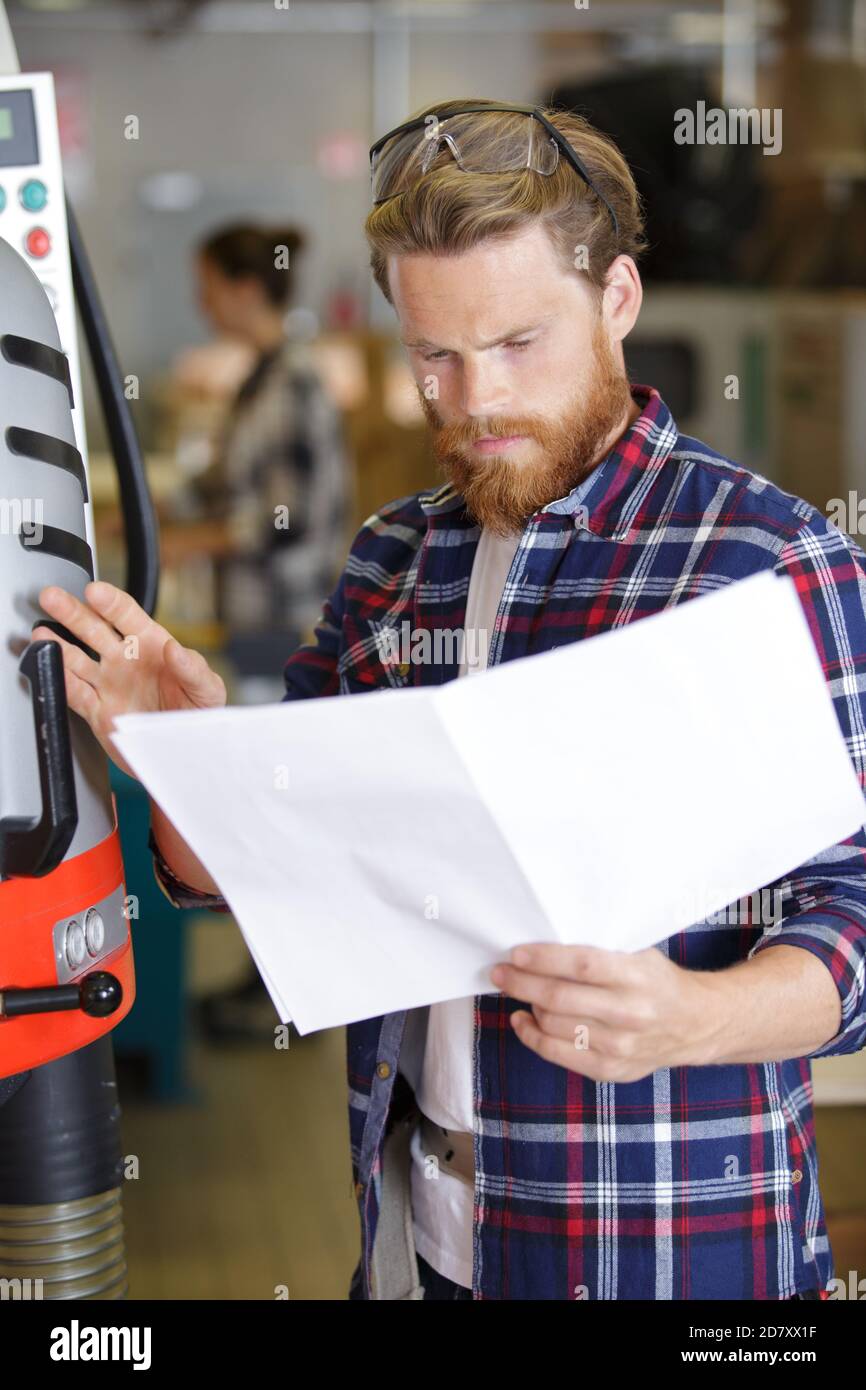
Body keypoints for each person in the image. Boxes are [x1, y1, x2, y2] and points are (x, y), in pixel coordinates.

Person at [34, 99, 866, 1301]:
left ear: (616, 300)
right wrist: (180, 754)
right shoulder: (392, 560)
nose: (471, 401)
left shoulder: (766, 560)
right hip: (414, 1233)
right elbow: (255, 880)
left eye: (519, 343)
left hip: (664, 1250)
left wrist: (695, 1015)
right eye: (433, 355)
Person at [189, 221, 352, 1040]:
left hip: (284, 622)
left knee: (273, 813)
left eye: (209, 282)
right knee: (264, 806)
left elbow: (283, 527)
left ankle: (284, 996)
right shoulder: (261, 377)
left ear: (246, 289)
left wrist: (196, 538)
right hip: (258, 619)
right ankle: (271, 984)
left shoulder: (292, 382)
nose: (200, 300)